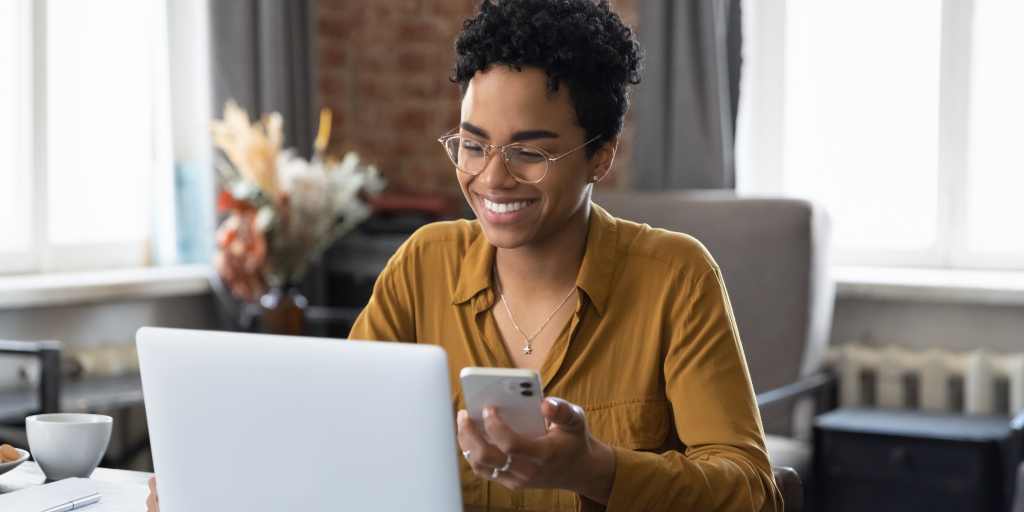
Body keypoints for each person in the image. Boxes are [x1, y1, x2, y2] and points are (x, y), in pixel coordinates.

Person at [147, 1, 783, 510]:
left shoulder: (676, 278)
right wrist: (216, 483)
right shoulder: (424, 265)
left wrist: (597, 470)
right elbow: (334, 432)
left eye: (530, 151)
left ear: (601, 154)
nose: (492, 178)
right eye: (472, 145)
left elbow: (753, 489)